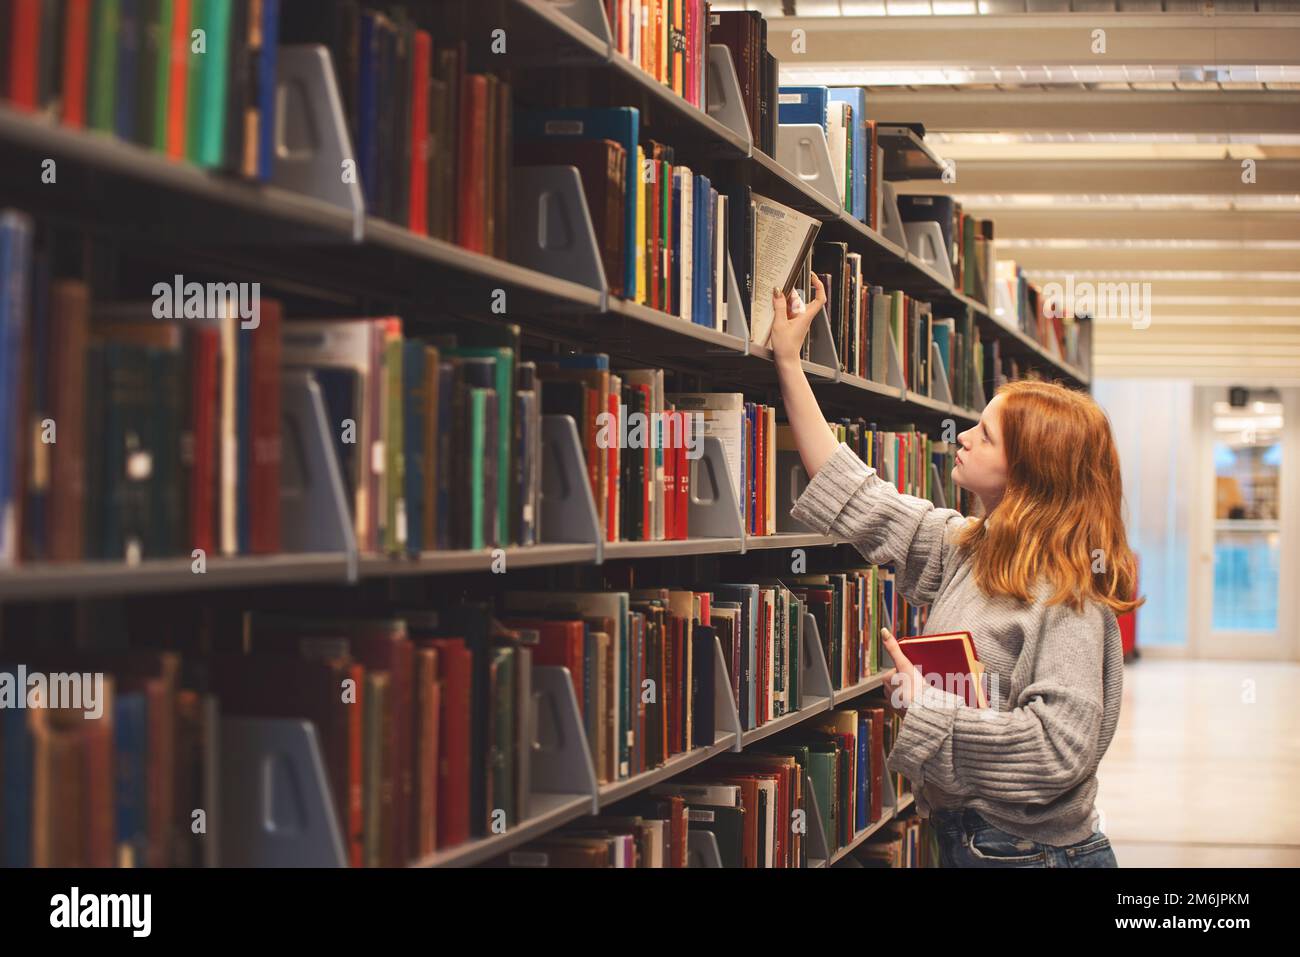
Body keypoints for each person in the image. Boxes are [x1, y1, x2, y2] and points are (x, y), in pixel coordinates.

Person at [772, 276, 1141, 868]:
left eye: (986, 435)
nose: (963, 438)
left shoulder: (1068, 596)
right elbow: (858, 497)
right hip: (972, 841)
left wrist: (929, 707)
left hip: (1031, 855)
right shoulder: (970, 548)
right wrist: (788, 360)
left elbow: (1056, 751)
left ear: (1030, 471)